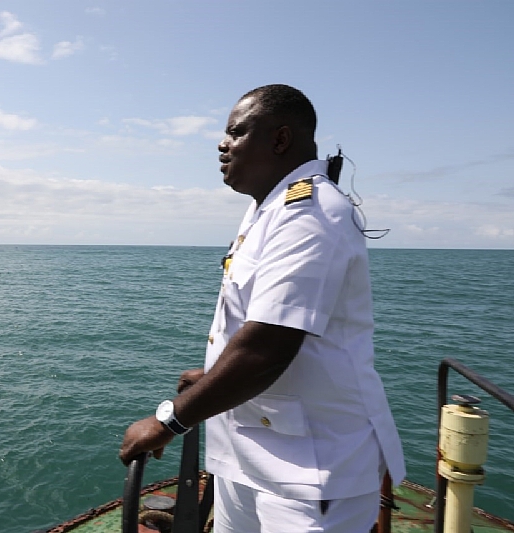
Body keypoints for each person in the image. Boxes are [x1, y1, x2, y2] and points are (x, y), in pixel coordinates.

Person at [119, 84, 405, 532]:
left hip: (311, 471)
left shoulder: (310, 212)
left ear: (279, 139)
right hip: (249, 455)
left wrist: (168, 420)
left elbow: (267, 347)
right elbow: (255, 324)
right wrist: (213, 376)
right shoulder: (268, 209)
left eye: (236, 132)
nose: (222, 143)